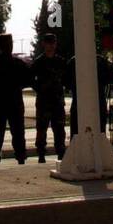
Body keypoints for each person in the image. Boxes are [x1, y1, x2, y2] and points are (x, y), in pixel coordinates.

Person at [0, 34, 31, 165]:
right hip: (11, 104)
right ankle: (19, 157)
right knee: (16, 133)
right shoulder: (17, 64)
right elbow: (27, 80)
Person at [68, 54, 113, 139]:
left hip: (97, 104)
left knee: (98, 134)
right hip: (81, 105)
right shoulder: (74, 61)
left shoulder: (100, 61)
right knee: (78, 133)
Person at [31, 33, 67, 162]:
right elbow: (31, 79)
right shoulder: (39, 62)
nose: (51, 46)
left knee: (59, 129)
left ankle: (61, 152)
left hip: (57, 100)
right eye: (48, 43)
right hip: (44, 101)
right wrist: (41, 88)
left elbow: (66, 78)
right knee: (41, 129)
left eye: (53, 43)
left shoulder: (60, 62)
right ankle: (41, 153)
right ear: (44, 44)